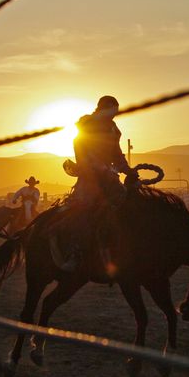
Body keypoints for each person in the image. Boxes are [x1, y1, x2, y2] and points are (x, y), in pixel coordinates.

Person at [53, 96, 137, 271]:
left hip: (109, 177)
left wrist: (127, 169)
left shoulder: (113, 129)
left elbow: (117, 154)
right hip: (89, 178)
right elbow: (85, 153)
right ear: (103, 108)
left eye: (116, 110)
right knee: (84, 208)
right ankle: (75, 251)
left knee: (128, 199)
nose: (115, 114)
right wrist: (103, 169)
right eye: (113, 109)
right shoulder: (86, 127)